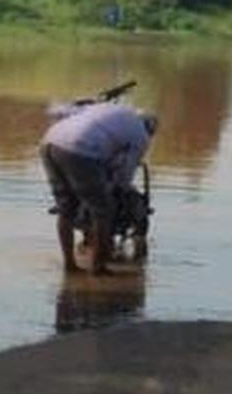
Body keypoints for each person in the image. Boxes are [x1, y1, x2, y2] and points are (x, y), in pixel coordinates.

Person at [40, 102, 158, 274]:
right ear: (150, 129)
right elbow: (126, 173)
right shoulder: (141, 135)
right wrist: (117, 189)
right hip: (80, 149)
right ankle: (98, 267)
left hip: (50, 142)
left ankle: (70, 265)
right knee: (103, 210)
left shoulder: (111, 110)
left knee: (66, 209)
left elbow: (58, 110)